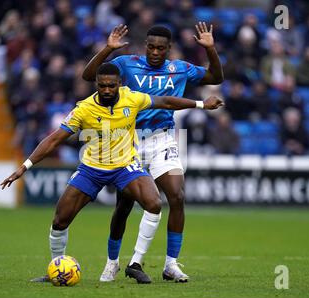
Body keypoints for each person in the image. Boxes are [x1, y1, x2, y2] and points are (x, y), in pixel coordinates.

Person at [0, 63, 224, 283]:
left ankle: (134, 263)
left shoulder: (132, 98)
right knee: (60, 220)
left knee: (154, 203)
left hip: (125, 167)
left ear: (119, 84)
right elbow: (54, 139)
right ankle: (57, 268)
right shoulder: (84, 108)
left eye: (111, 86)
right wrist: (24, 166)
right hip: (91, 169)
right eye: (102, 86)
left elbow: (165, 101)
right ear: (96, 84)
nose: (107, 90)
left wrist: (201, 104)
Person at [82, 23, 223, 283]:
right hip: (129, 140)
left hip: (162, 139)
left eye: (161, 48)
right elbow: (88, 74)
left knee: (177, 196)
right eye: (151, 47)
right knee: (123, 205)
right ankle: (112, 262)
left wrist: (211, 49)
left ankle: (170, 265)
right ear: (145, 46)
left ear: (169, 49)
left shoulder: (179, 69)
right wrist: (107, 49)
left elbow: (216, 78)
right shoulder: (127, 63)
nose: (155, 52)